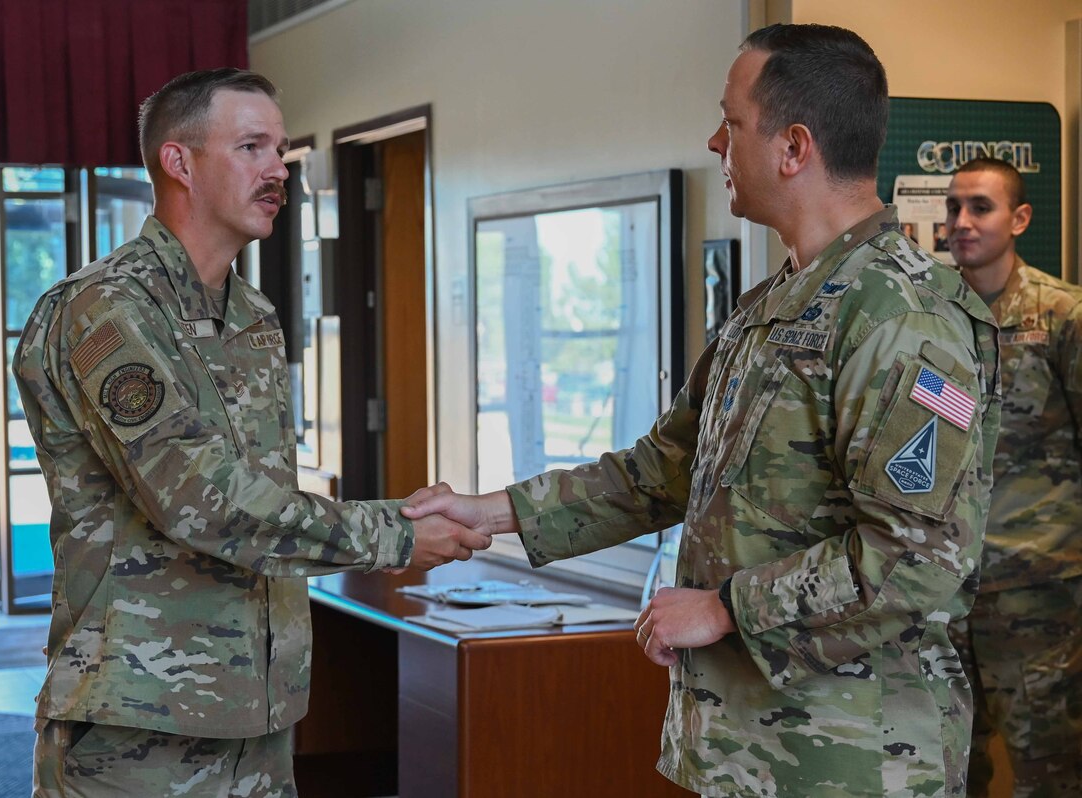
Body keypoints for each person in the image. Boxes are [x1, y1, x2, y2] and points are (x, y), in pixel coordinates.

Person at [404, 24, 1000, 798]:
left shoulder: (901, 315)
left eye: (733, 121)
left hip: (854, 761)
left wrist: (725, 608)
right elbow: (662, 471)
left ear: (793, 148)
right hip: (744, 750)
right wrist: (488, 513)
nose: (715, 141)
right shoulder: (774, 306)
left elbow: (919, 556)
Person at [13, 68, 489, 798]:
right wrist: (395, 532)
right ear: (179, 162)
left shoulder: (251, 316)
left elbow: (262, 500)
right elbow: (203, 500)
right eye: (251, 146)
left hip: (256, 714)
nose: (278, 170)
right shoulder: (106, 311)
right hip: (142, 724)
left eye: (281, 149)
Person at [944, 157, 1082, 797]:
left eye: (980, 207)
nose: (961, 223)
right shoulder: (931, 315)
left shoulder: (1063, 316)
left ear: (1020, 218)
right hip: (944, 591)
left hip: (1038, 591)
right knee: (945, 773)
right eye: (954, 208)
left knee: (1048, 774)